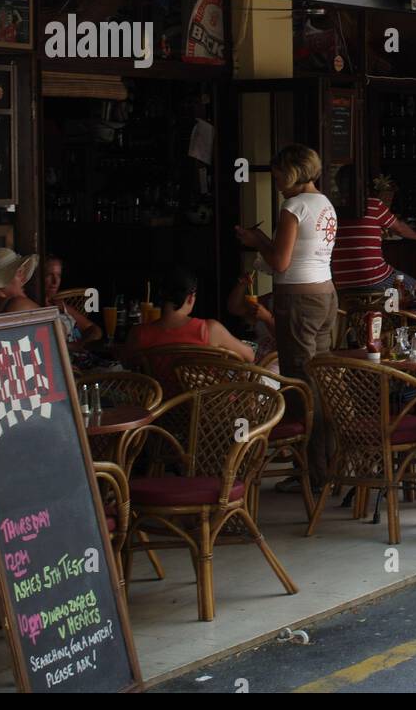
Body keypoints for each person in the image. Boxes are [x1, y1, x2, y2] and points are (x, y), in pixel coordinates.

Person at [235, 143, 337, 487]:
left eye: (278, 173)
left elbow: (280, 262)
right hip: (325, 294)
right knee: (322, 378)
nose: (275, 179)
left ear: (291, 172)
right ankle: (331, 460)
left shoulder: (294, 206)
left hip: (298, 299)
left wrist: (257, 239)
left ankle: (313, 472)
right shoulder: (324, 203)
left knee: (300, 382)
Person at [124, 265, 254, 362]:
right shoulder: (209, 329)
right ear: (191, 297)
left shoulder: (138, 334)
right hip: (206, 397)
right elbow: (249, 355)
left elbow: (127, 364)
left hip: (163, 398)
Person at [332, 175, 416, 296]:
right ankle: (393, 313)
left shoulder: (331, 208)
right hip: (374, 278)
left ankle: (384, 312)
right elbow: (399, 228)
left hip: (341, 282)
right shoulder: (373, 204)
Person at [42, 254, 102, 346]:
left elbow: (94, 329)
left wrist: (81, 344)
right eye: (49, 275)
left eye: (58, 275)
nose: (55, 281)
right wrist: (71, 347)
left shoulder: (58, 304)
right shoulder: (34, 308)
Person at [226, 272, 277, 367]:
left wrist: (267, 318)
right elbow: (235, 308)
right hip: (258, 352)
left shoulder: (300, 302)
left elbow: (288, 341)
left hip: (276, 361)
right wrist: (242, 284)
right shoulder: (271, 297)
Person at [0, 248, 41, 316]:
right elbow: (49, 323)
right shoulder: (19, 305)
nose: (24, 278)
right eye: (19, 272)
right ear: (3, 279)